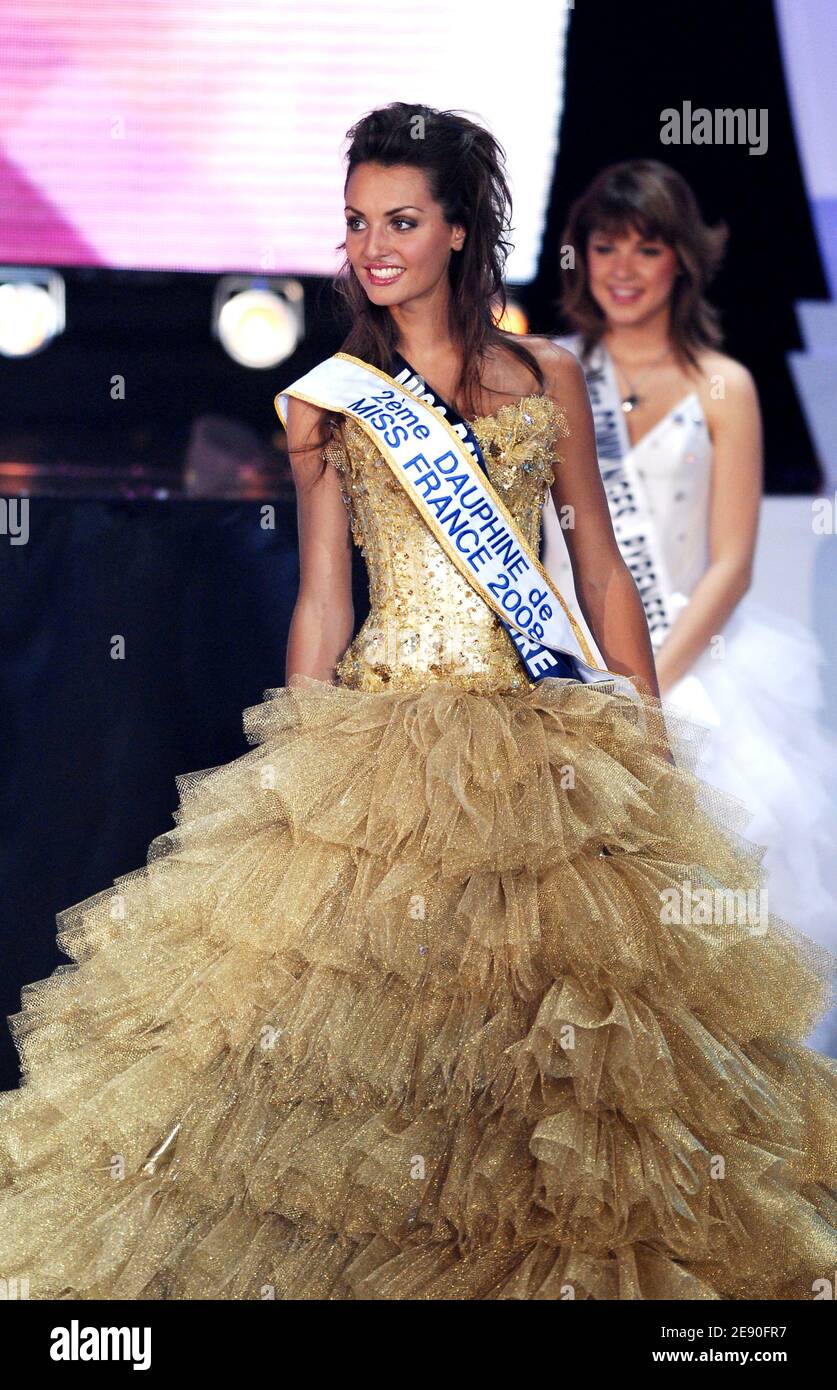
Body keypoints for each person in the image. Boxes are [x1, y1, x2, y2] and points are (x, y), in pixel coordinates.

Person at [0, 105, 835, 1302]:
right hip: (387, 739)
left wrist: (644, 730)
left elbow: (594, 563)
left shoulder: (545, 372)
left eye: (401, 220)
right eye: (356, 222)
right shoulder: (328, 395)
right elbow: (324, 602)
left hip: (540, 738)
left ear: (458, 229)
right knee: (362, 1039)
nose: (374, 245)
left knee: (567, 1053)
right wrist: (294, 757)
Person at [542, 158, 837, 1056]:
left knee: (711, 907)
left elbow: (732, 563)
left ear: (682, 260)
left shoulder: (724, 385)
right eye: (604, 246)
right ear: (580, 258)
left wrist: (646, 688)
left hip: (693, 665)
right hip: (564, 653)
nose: (622, 267)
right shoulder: (545, 372)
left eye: (646, 247)